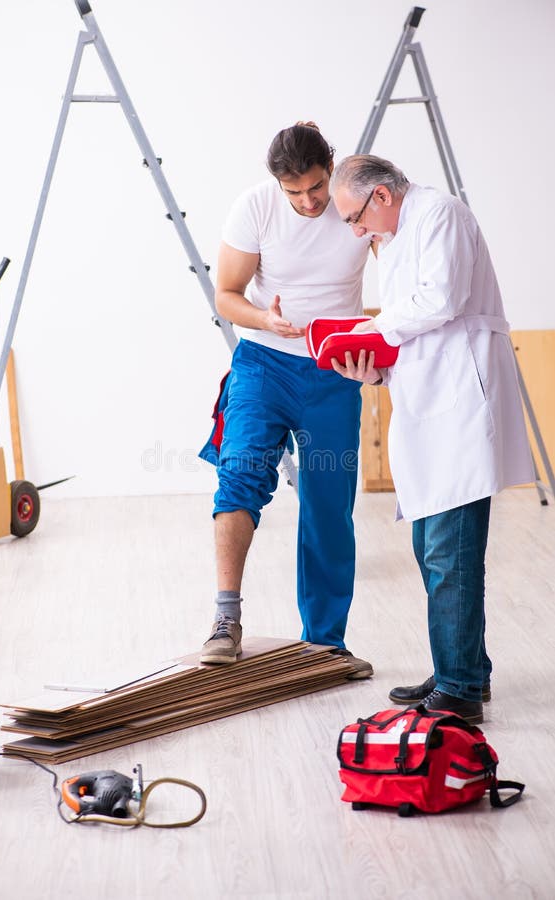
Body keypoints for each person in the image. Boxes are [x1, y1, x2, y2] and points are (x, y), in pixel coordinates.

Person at [329, 154, 534, 723]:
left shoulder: (441, 214)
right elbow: (410, 335)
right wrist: (372, 368)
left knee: (451, 553)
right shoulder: (394, 240)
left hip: (460, 406)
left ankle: (460, 687)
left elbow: (440, 300)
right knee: (432, 548)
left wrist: (367, 329)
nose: (356, 232)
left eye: (354, 219)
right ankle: (462, 667)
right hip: (427, 408)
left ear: (381, 196)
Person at [199, 123, 373, 677]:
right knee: (239, 476)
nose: (308, 201)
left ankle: (324, 643)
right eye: (294, 192)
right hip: (264, 363)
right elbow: (226, 295)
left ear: (331, 167)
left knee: (327, 503)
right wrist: (264, 319)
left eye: (316, 187)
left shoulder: (355, 203)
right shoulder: (255, 207)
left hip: (334, 369)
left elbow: (400, 276)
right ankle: (226, 619)